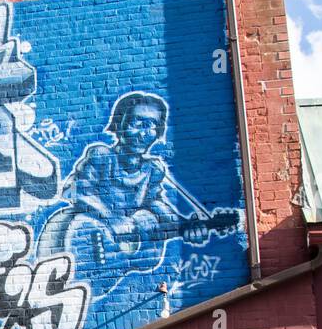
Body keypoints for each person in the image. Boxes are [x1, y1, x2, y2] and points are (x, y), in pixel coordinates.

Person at [38, 91, 209, 262]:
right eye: (138, 123)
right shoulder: (102, 156)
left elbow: (156, 204)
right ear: (119, 125)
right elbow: (74, 191)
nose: (144, 133)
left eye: (152, 126)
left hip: (116, 256)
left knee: (146, 219)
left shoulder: (153, 169)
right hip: (79, 237)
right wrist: (113, 218)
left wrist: (185, 225)